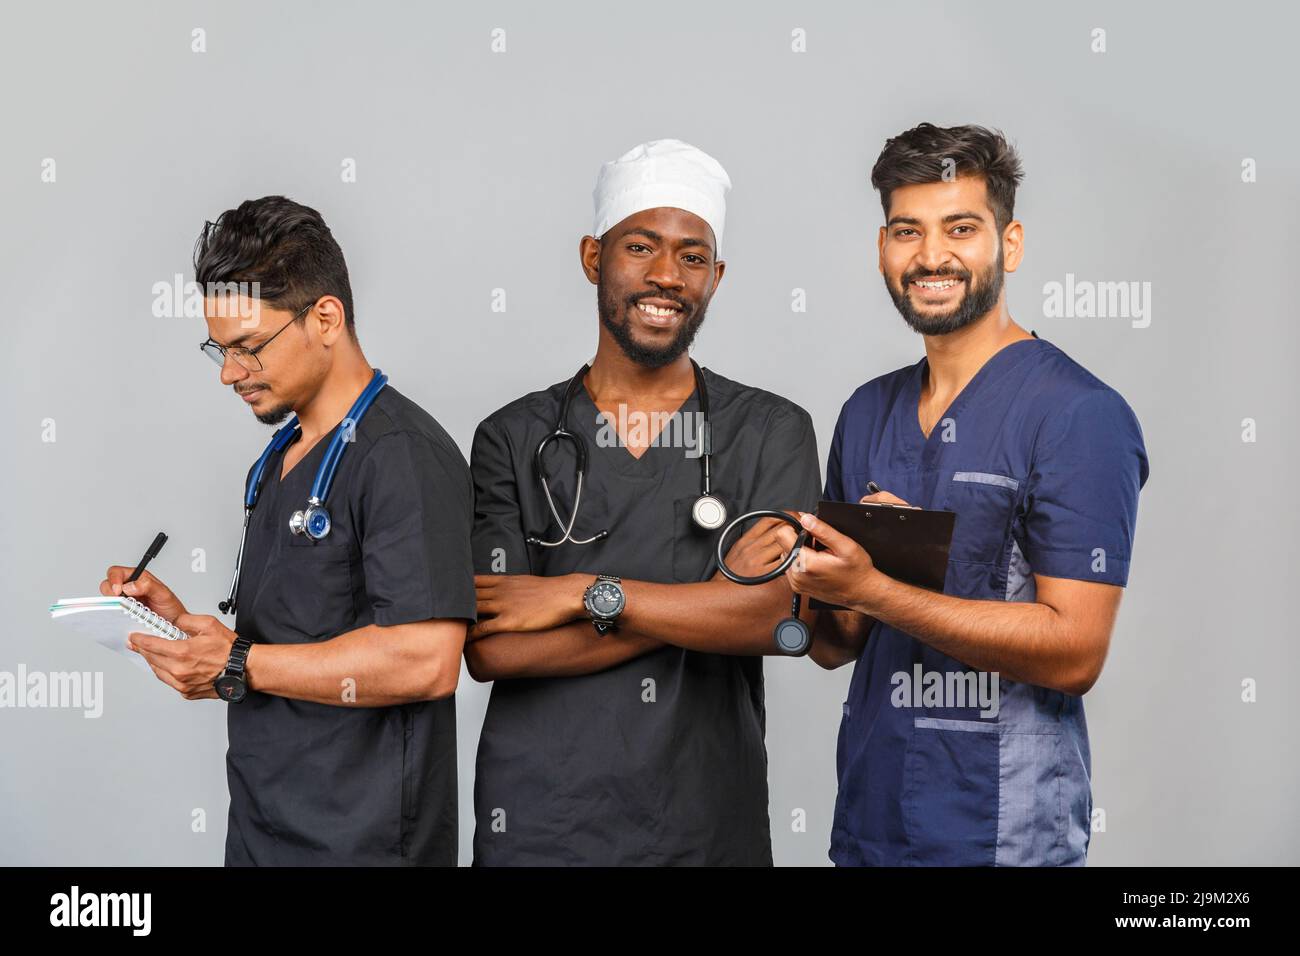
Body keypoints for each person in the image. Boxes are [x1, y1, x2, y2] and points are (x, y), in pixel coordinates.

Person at [772, 124, 1149, 866]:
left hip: (1001, 830)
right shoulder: (867, 411)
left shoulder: (1077, 414)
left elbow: (1075, 652)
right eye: (907, 231)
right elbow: (835, 645)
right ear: (883, 247)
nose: (931, 256)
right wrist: (801, 574)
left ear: (1008, 245)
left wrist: (875, 589)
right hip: (871, 822)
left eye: (961, 228)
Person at [465, 139, 821, 865]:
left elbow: (782, 620)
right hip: (542, 828)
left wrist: (581, 593)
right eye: (640, 247)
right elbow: (492, 647)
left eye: (693, 257)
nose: (667, 276)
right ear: (594, 258)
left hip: (705, 829)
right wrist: (712, 600)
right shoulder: (512, 437)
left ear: (716, 277)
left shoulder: (771, 430)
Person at [99, 196, 475, 865]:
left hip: (364, 847)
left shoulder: (401, 455)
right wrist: (183, 626)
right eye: (219, 348)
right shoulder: (278, 457)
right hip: (261, 830)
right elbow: (293, 638)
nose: (228, 373)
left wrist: (238, 661)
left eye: (249, 348)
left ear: (325, 318)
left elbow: (426, 659)